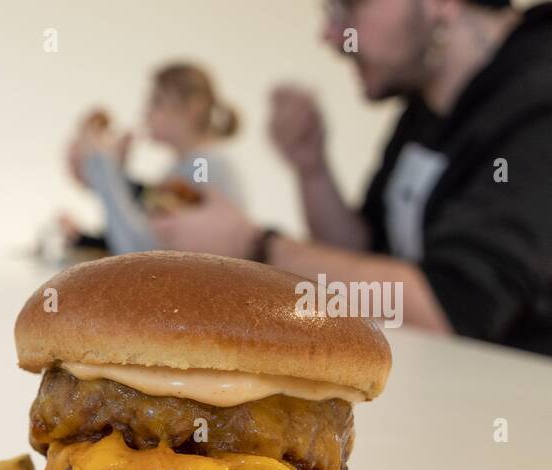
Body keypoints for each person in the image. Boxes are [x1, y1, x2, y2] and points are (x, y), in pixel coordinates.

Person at [151, 0, 552, 355]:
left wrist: (254, 245)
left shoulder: (538, 98)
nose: (330, 34)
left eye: (349, 5)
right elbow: (369, 257)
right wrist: (313, 171)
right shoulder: (425, 106)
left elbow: (451, 310)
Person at [67, 64, 244, 254]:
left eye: (157, 102)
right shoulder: (182, 169)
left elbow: (142, 252)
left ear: (194, 108)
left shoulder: (206, 167)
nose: (145, 113)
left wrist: (104, 166)